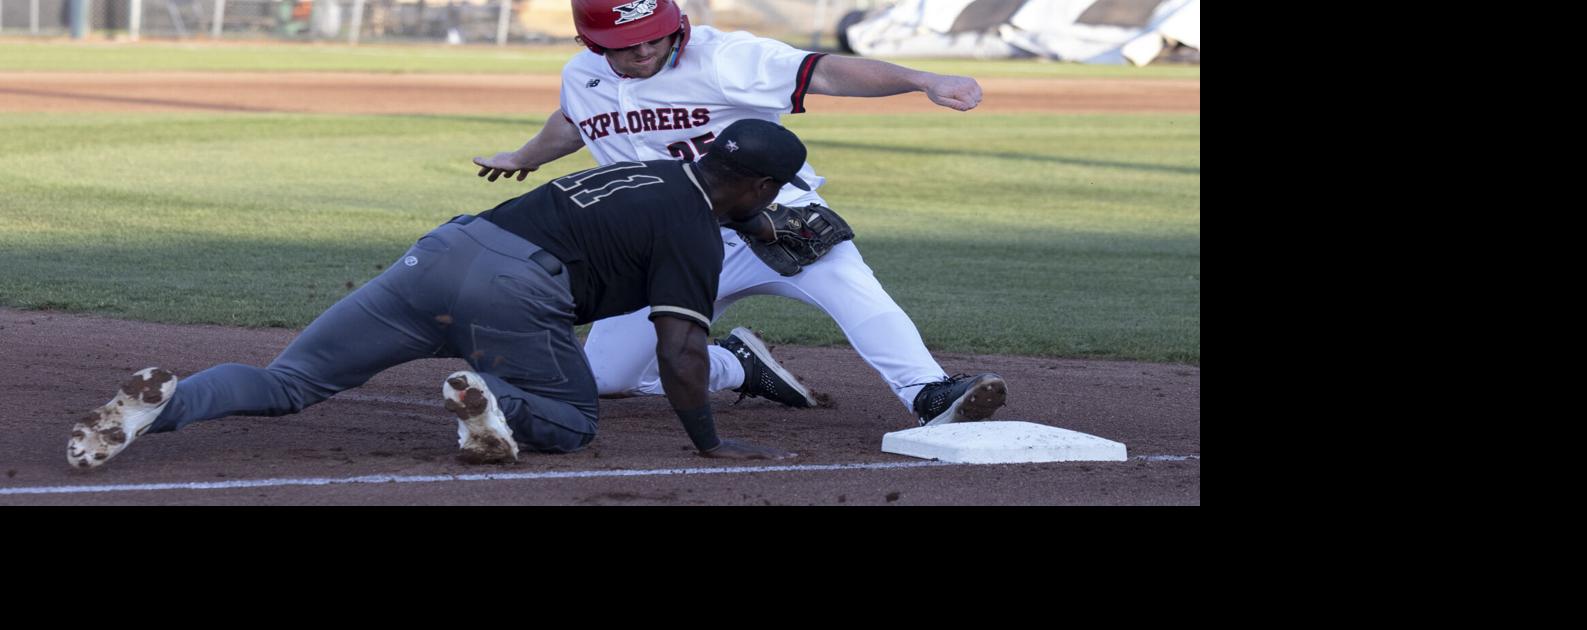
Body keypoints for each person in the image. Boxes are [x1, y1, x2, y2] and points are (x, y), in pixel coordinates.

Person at [66, 119, 815, 471]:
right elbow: (681, 350)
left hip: (437, 256)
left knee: (288, 382)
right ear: (758, 184)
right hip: (513, 289)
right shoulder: (691, 225)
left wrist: (750, 227)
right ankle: (490, 400)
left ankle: (159, 407)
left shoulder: (652, 174)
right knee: (570, 421)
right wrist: (711, 441)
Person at [473, 0, 1007, 428]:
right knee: (608, 377)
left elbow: (823, 71)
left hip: (774, 226)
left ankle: (929, 392)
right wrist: (523, 157)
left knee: (852, 289)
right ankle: (736, 365)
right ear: (590, 43)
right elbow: (573, 121)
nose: (643, 53)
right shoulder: (582, 75)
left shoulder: (724, 57)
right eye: (625, 46)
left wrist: (922, 80)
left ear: (675, 26)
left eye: (654, 38)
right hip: (665, 247)